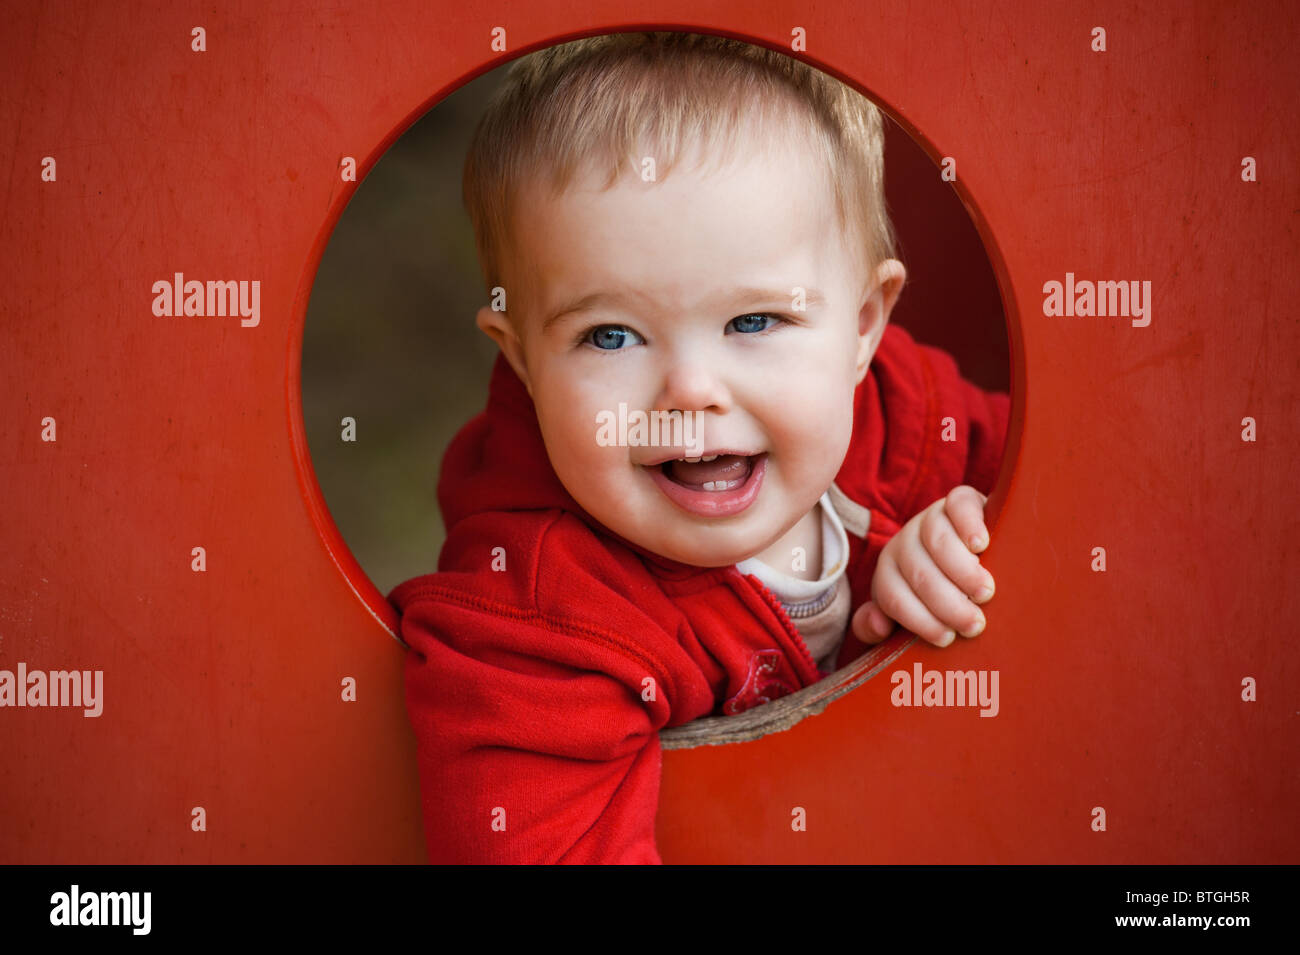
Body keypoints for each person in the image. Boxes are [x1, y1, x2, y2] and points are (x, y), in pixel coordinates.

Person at [387, 32, 1010, 863]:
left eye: (753, 321)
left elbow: (1092, 499)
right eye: (611, 334)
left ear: (863, 325)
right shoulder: (537, 616)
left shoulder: (907, 413)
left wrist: (967, 532)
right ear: (522, 359)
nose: (690, 390)